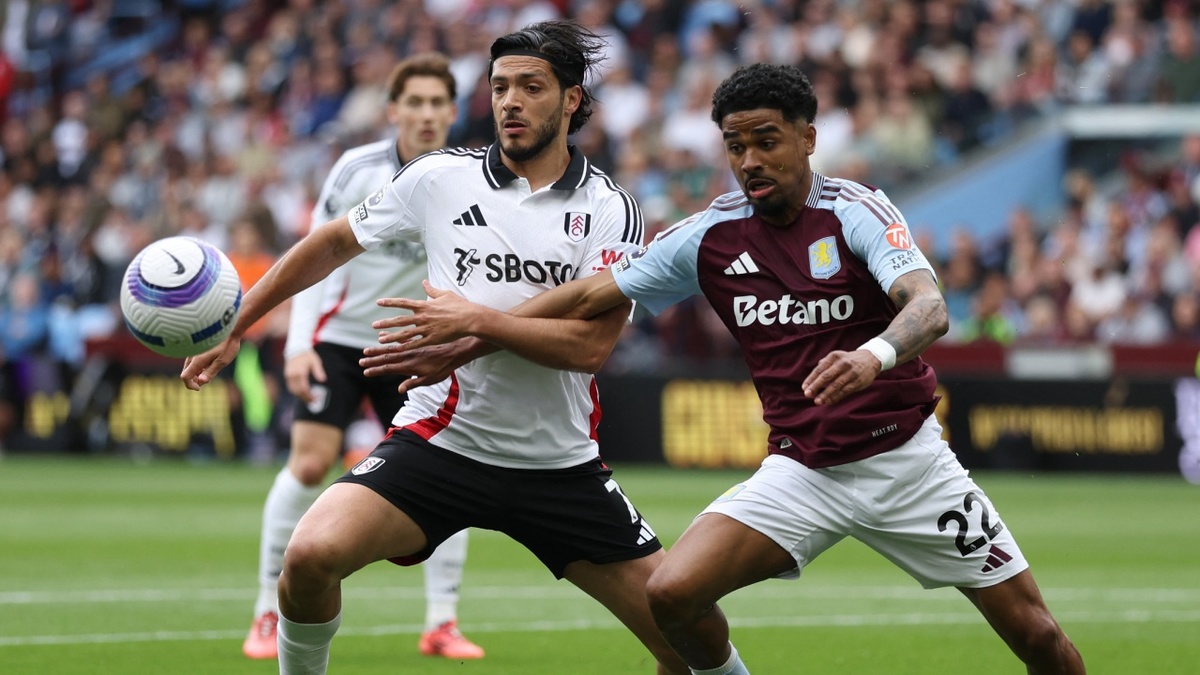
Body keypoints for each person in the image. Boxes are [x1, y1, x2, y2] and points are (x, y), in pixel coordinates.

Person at [363, 64, 1087, 675]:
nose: (748, 161)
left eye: (766, 142)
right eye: (735, 145)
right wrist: (475, 331)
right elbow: (589, 295)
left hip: (909, 464)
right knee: (671, 594)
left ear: (808, 139)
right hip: (802, 470)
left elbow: (928, 308)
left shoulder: (858, 211)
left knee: (1037, 636)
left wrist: (872, 356)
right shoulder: (709, 233)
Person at [182, 21, 691, 675]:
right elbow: (332, 242)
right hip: (440, 445)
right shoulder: (439, 179)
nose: (510, 100)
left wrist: (474, 325)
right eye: (500, 86)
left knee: (687, 639)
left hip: (557, 464)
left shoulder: (609, 208)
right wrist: (239, 321)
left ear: (570, 100)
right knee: (308, 557)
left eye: (530, 87)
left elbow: (589, 347)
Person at [239, 53, 485, 661]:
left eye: (438, 103)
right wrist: (299, 344)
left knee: (453, 474)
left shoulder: (469, 176)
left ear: (452, 112)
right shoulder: (357, 169)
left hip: (413, 342)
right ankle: (268, 610)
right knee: (308, 463)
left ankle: (441, 622)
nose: (427, 114)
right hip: (341, 338)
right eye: (416, 102)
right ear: (393, 110)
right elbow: (317, 253)